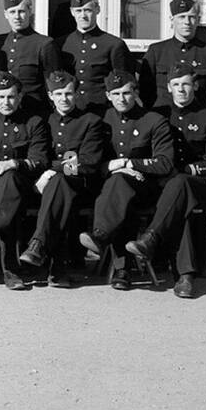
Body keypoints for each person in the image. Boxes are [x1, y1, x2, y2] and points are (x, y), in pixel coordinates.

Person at [124, 63, 206, 298]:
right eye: (176, 85)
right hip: (166, 184)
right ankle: (185, 276)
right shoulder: (158, 115)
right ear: (169, 87)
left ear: (195, 86)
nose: (181, 90)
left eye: (186, 84)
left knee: (181, 185)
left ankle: (151, 239)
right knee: (183, 202)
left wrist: (183, 169)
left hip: (202, 183)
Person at [78, 70, 175, 291]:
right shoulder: (101, 120)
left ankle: (102, 239)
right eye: (115, 93)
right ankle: (122, 270)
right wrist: (109, 166)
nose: (121, 99)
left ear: (136, 93)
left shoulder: (154, 120)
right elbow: (91, 160)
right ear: (108, 95)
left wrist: (130, 164)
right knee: (118, 191)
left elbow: (165, 163)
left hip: (145, 187)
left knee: (121, 186)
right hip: (108, 189)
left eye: (126, 93)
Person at [19, 70, 107, 287]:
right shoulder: (42, 121)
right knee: (56, 193)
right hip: (42, 186)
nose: (63, 99)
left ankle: (38, 246)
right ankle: (56, 270)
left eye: (68, 93)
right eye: (58, 94)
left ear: (76, 94)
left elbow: (87, 161)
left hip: (79, 185)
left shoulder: (90, 121)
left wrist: (53, 170)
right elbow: (36, 155)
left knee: (59, 185)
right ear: (50, 95)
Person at [0, 71, 51, 289]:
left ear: (20, 96)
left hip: (23, 185)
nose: (6, 102)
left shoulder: (34, 122)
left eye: (11, 97)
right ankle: (10, 270)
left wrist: (13, 163)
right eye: (1, 97)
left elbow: (40, 160)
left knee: (10, 183)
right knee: (5, 197)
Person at [138, 0, 206, 114]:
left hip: (197, 124)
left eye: (191, 17)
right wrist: (155, 116)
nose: (187, 22)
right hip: (163, 123)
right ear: (172, 20)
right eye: (182, 17)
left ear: (198, 20)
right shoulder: (156, 52)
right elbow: (145, 90)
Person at [59, 0, 130, 113]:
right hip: (71, 112)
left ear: (97, 10)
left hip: (101, 111)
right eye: (78, 11)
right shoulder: (61, 44)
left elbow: (123, 83)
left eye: (87, 10)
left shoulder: (113, 44)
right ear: (72, 12)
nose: (83, 15)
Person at [0, 0, 60, 103]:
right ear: (5, 14)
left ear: (29, 12)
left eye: (21, 11)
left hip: (33, 109)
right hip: (4, 107)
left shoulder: (44, 44)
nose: (17, 17)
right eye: (12, 12)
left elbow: (54, 84)